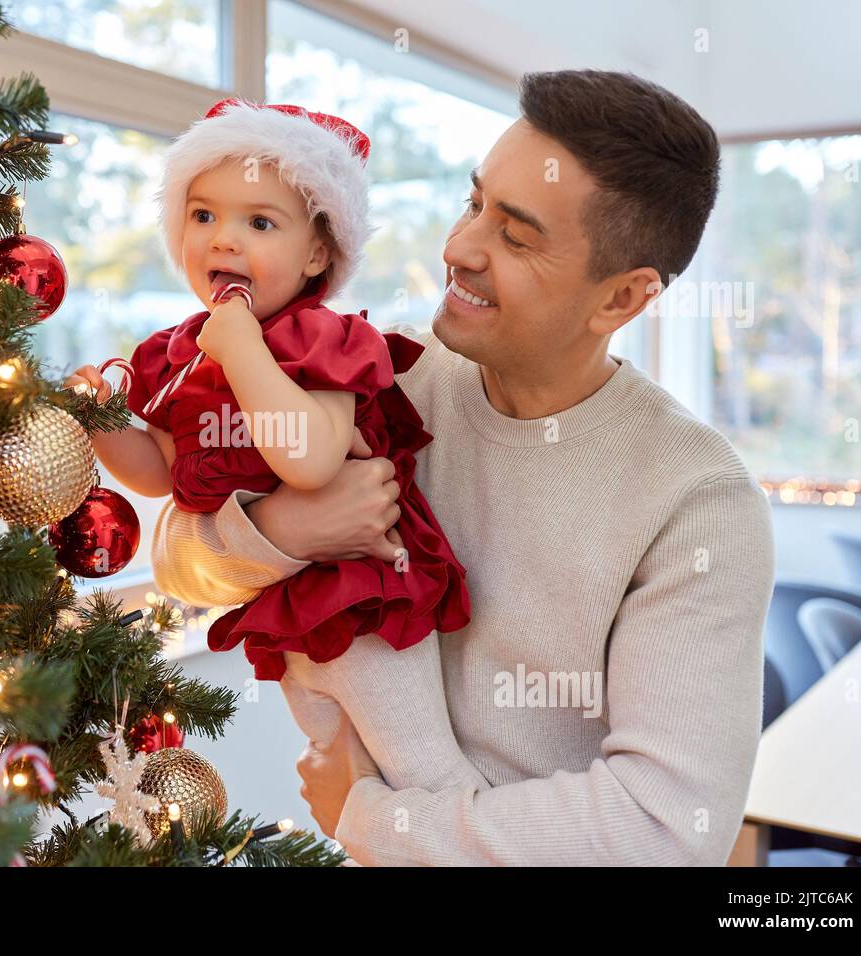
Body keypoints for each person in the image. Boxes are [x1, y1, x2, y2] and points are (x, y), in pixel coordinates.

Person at [148, 71, 777, 866]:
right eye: (473, 203)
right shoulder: (388, 371)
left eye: (515, 237)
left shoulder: (698, 503)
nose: (458, 248)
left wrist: (374, 818)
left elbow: (662, 831)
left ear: (621, 300)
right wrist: (283, 529)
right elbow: (179, 558)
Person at [65, 98, 480, 795]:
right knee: (341, 770)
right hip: (284, 615)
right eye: (203, 215)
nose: (223, 241)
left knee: (424, 777)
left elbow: (312, 460)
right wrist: (103, 424)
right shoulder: (176, 357)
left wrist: (242, 352)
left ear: (317, 252)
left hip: (362, 601)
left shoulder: (320, 339)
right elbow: (165, 475)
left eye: (259, 222)